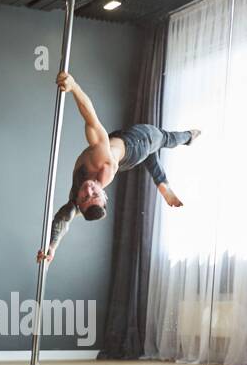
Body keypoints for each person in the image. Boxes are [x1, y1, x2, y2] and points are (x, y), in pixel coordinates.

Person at [36, 71, 199, 264]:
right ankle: (189, 137)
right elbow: (92, 121)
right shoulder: (100, 161)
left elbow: (63, 218)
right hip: (138, 142)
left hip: (123, 152)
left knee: (153, 153)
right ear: (105, 195)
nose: (88, 189)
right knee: (164, 138)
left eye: (85, 197)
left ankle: (163, 179)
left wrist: (51, 248)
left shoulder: (79, 196)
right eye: (95, 194)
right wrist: (74, 86)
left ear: (79, 202)